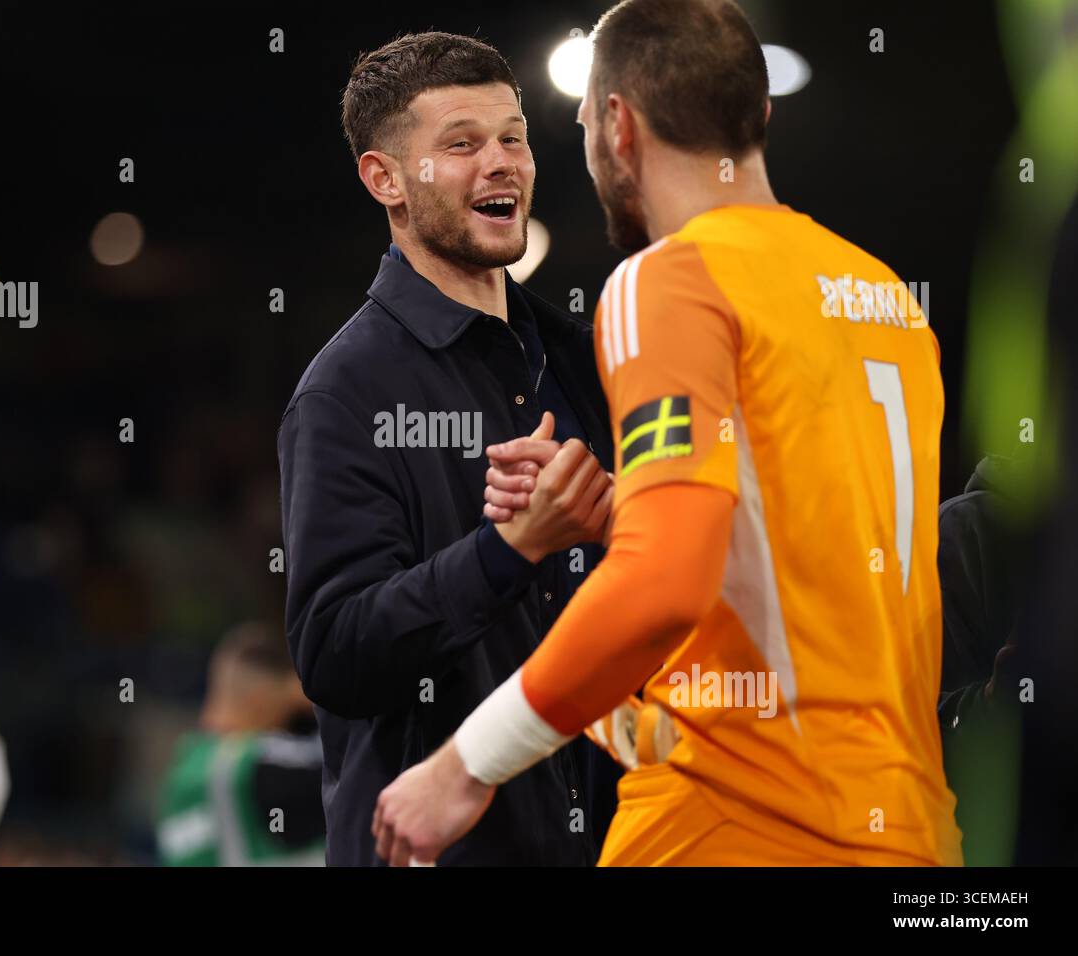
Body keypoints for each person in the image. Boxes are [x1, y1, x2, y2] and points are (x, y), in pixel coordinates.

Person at [372, 0, 962, 867]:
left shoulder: (670, 280)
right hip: (913, 832)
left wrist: (465, 764)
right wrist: (626, 511)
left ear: (617, 124)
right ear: (757, 116)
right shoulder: (886, 300)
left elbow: (662, 586)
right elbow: (811, 563)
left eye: (574, 126)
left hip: (741, 822)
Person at [278, 32, 622, 865]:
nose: (502, 162)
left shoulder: (591, 359)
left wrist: (615, 512)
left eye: (514, 137)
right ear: (385, 179)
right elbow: (336, 652)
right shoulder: (343, 392)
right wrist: (511, 550)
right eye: (462, 144)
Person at [156, 622, 325, 866]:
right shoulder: (261, 765)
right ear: (260, 700)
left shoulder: (184, 771)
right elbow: (353, 774)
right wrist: (319, 699)